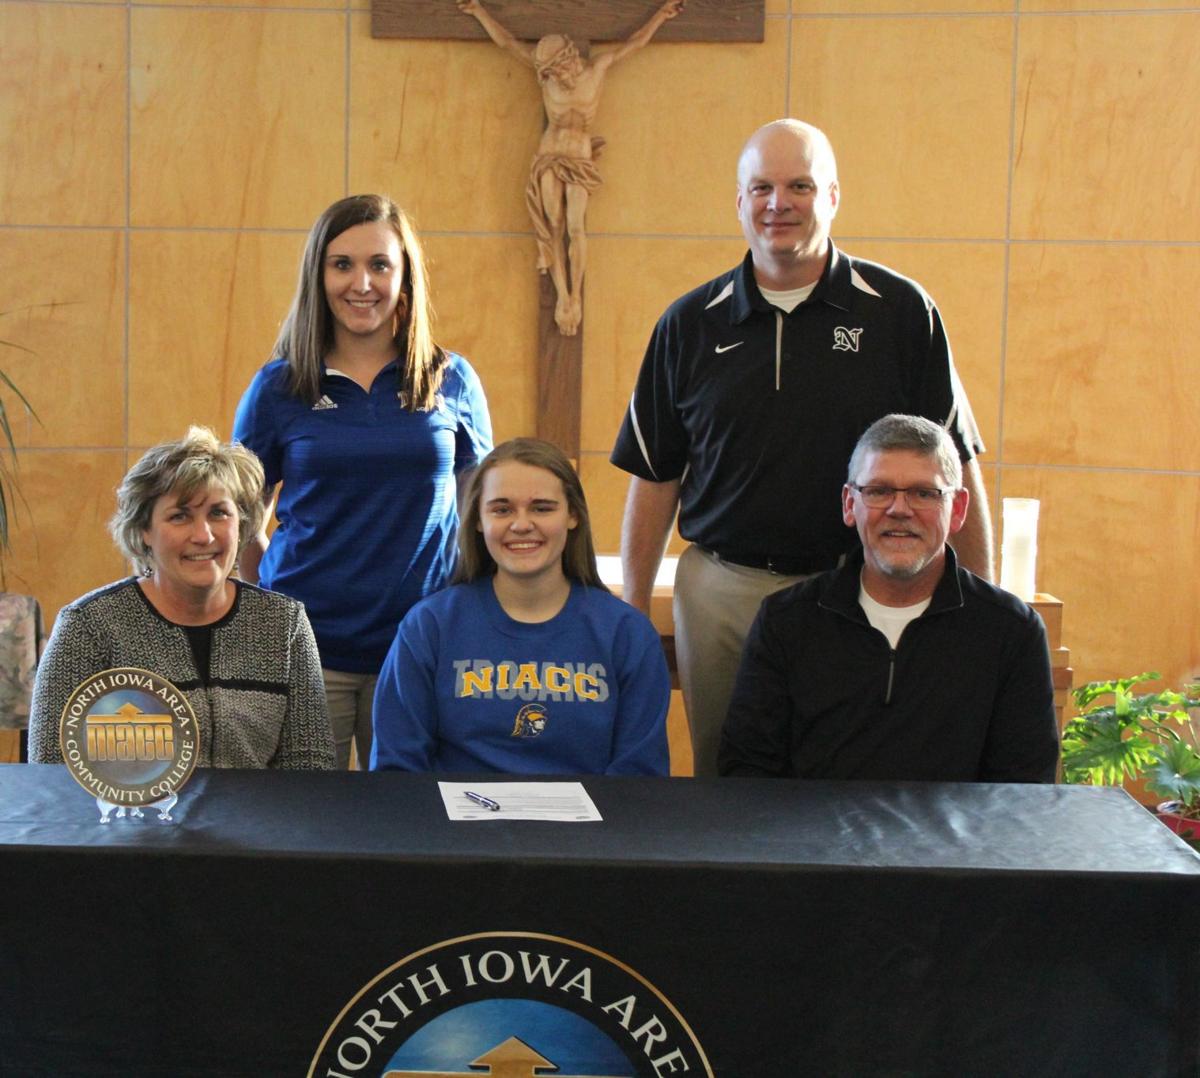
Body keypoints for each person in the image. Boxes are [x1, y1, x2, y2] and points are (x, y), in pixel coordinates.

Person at [611, 118, 994, 777]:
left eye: (800, 186)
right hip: (721, 592)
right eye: (761, 187)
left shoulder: (902, 313)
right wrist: (632, 614)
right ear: (739, 201)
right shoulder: (688, 324)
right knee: (729, 780)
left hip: (859, 586)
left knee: (850, 778)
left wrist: (980, 606)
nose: (777, 203)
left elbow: (955, 468)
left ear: (833, 196)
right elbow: (655, 475)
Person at [233, 194, 492, 770]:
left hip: (419, 648)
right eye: (342, 264)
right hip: (305, 652)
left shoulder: (451, 379)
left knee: (408, 819)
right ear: (318, 275)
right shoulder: (278, 387)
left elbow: (483, 511)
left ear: (405, 276)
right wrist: (274, 602)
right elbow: (239, 516)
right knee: (306, 819)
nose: (362, 283)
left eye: (380, 264)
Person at [718, 414, 1058, 782]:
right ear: (849, 504)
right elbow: (748, 776)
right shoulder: (786, 622)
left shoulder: (1011, 633)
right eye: (879, 491)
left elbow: (1022, 792)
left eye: (923, 493)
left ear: (958, 509)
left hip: (954, 824)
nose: (899, 509)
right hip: (814, 822)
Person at [29, 427, 334, 769]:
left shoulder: (283, 623)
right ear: (145, 530)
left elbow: (310, 767)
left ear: (241, 523)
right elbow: (51, 771)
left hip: (261, 807)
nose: (203, 535)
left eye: (219, 513)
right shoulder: (89, 626)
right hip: (127, 808)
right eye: (180, 516)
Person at [371, 438, 670, 776]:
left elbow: (640, 776)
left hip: (594, 813)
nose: (522, 524)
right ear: (478, 519)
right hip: (453, 812)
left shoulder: (627, 634)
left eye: (542, 508)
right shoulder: (429, 626)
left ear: (572, 515)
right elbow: (398, 769)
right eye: (502, 509)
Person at [457, 0, 685, 335]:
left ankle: (575, 295)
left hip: (579, 158)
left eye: (559, 71)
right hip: (549, 155)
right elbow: (507, 42)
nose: (558, 78)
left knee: (576, 227)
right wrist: (478, 11)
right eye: (551, 74)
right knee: (553, 225)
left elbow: (634, 43)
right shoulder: (548, 79)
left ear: (570, 59)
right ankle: (562, 297)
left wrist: (661, 16)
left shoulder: (597, 69)